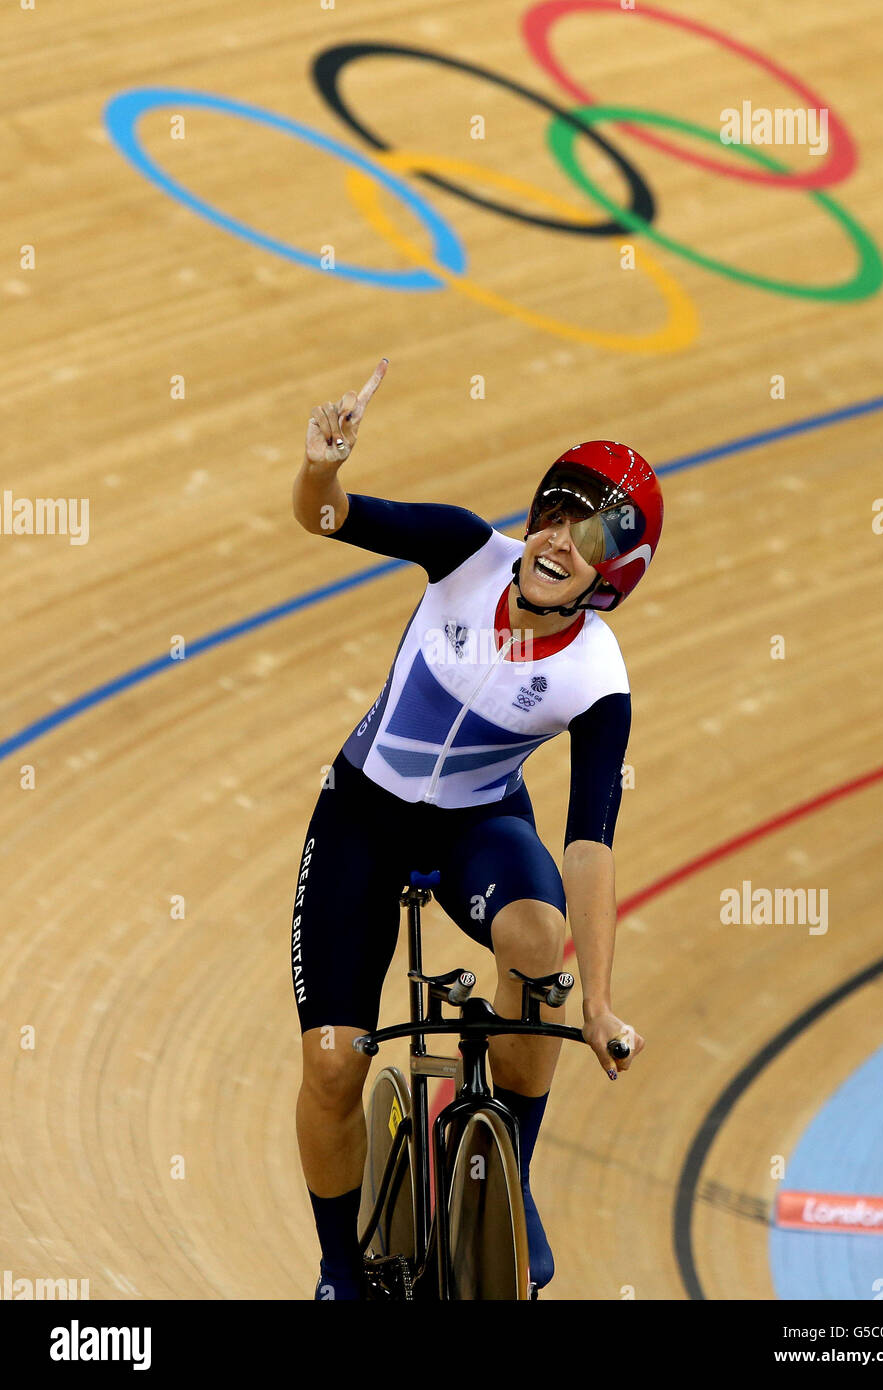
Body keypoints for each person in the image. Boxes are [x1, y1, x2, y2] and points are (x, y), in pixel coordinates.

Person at [290, 357, 663, 1300]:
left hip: (477, 830)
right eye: (554, 512)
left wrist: (601, 1006)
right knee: (334, 1063)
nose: (558, 540)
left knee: (541, 941)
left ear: (611, 572)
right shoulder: (463, 549)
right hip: (362, 817)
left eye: (588, 534)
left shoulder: (595, 676)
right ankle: (340, 1276)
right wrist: (322, 470)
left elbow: (588, 848)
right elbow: (325, 519)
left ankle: (511, 1177)